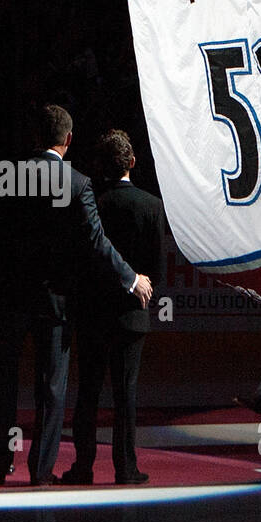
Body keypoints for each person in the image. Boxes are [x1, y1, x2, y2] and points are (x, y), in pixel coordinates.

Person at [0, 104, 152, 486]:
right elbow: (95, 242)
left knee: (3, 383)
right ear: (69, 140)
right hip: (54, 300)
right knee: (51, 387)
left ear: (35, 137)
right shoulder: (78, 183)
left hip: (9, 296)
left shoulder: (8, 177)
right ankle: (40, 472)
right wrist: (130, 278)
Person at [64, 130, 165, 486]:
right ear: (133, 163)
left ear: (99, 164)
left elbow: (82, 257)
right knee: (126, 393)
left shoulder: (90, 201)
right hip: (131, 311)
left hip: (92, 311)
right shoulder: (151, 205)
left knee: (87, 392)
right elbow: (156, 268)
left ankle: (83, 466)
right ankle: (126, 467)